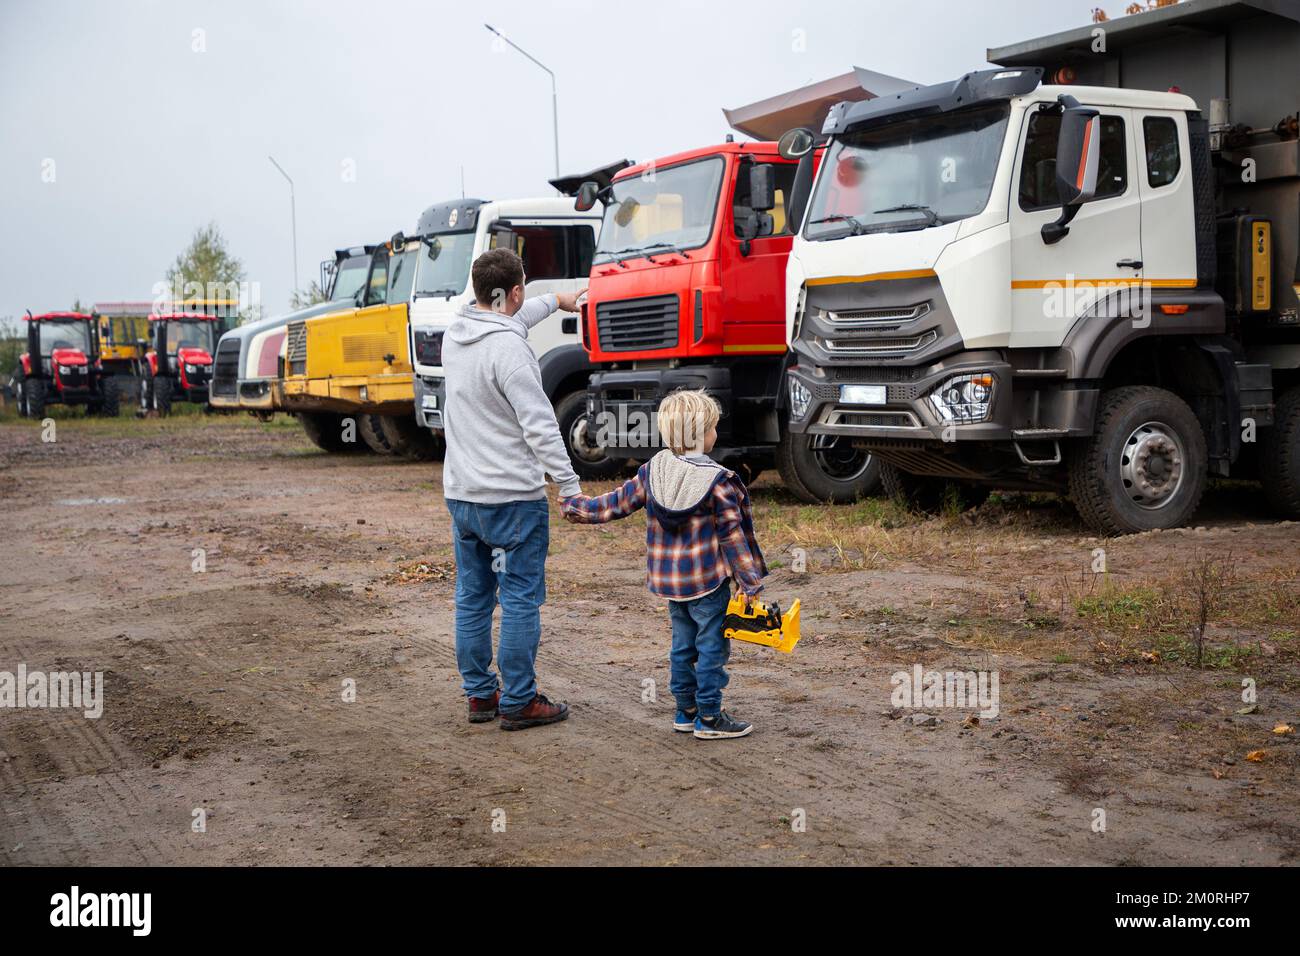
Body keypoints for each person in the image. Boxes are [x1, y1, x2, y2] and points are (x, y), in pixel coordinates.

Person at [561, 389, 766, 739]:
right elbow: (733, 538)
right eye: (713, 427)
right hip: (709, 583)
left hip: (672, 584)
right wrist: (750, 583)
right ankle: (710, 718)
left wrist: (578, 507)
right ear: (702, 434)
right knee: (712, 647)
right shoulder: (718, 482)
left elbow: (616, 503)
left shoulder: (653, 471)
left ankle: (685, 711)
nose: (716, 433)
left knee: (683, 645)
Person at [442, 247, 584, 731]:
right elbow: (541, 427)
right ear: (515, 291)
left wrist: (558, 300)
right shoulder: (511, 350)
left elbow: (513, 317)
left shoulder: (456, 334)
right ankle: (520, 700)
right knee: (521, 597)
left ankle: (481, 695)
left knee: (473, 597)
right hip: (512, 502)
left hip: (463, 497)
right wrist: (569, 486)